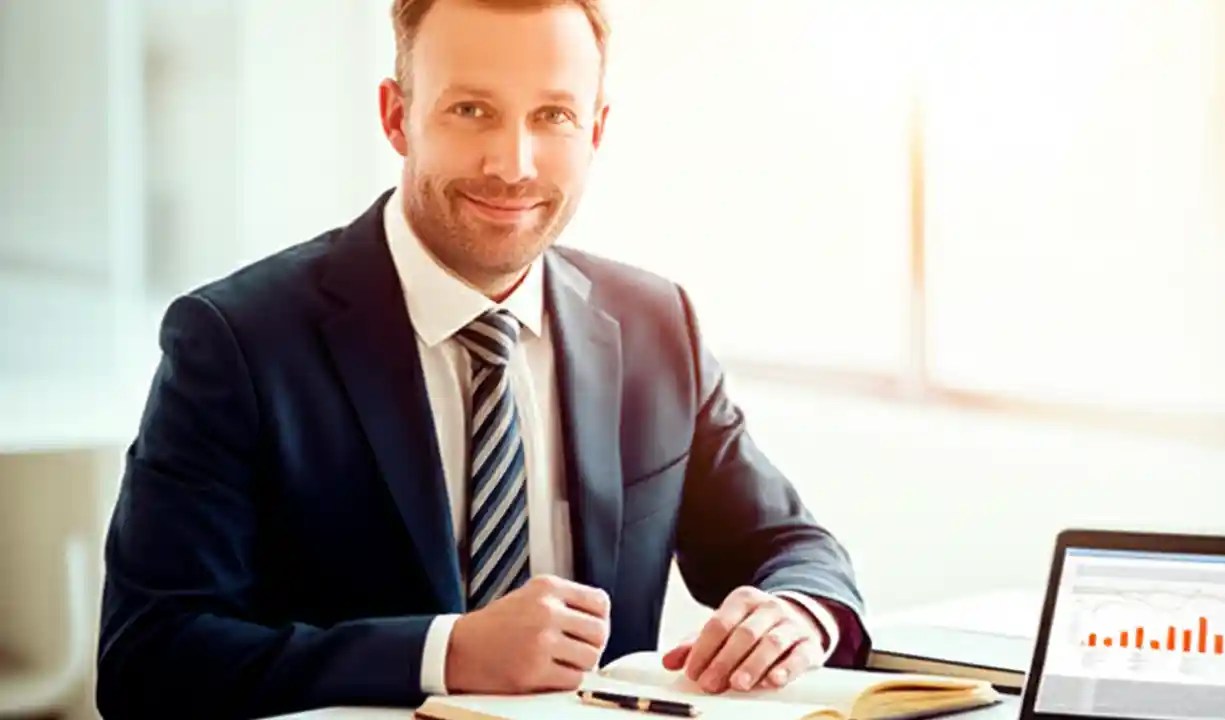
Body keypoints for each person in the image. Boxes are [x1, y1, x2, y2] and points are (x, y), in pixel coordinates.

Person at [96, 0, 870, 717]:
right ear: (397, 118)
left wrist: (795, 613)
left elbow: (792, 548)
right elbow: (149, 658)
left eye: (554, 115)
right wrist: (444, 653)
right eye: (472, 110)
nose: (515, 164)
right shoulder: (236, 340)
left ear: (596, 130)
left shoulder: (657, 324)